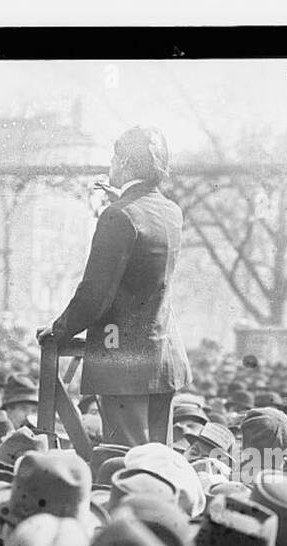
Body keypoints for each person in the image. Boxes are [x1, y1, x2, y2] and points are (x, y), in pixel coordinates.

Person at [43, 125, 190, 447]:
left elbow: (96, 293)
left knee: (127, 458)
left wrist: (60, 329)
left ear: (124, 163)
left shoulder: (118, 217)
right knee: (157, 459)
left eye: (114, 158)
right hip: (161, 359)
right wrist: (121, 202)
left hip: (123, 362)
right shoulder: (170, 211)